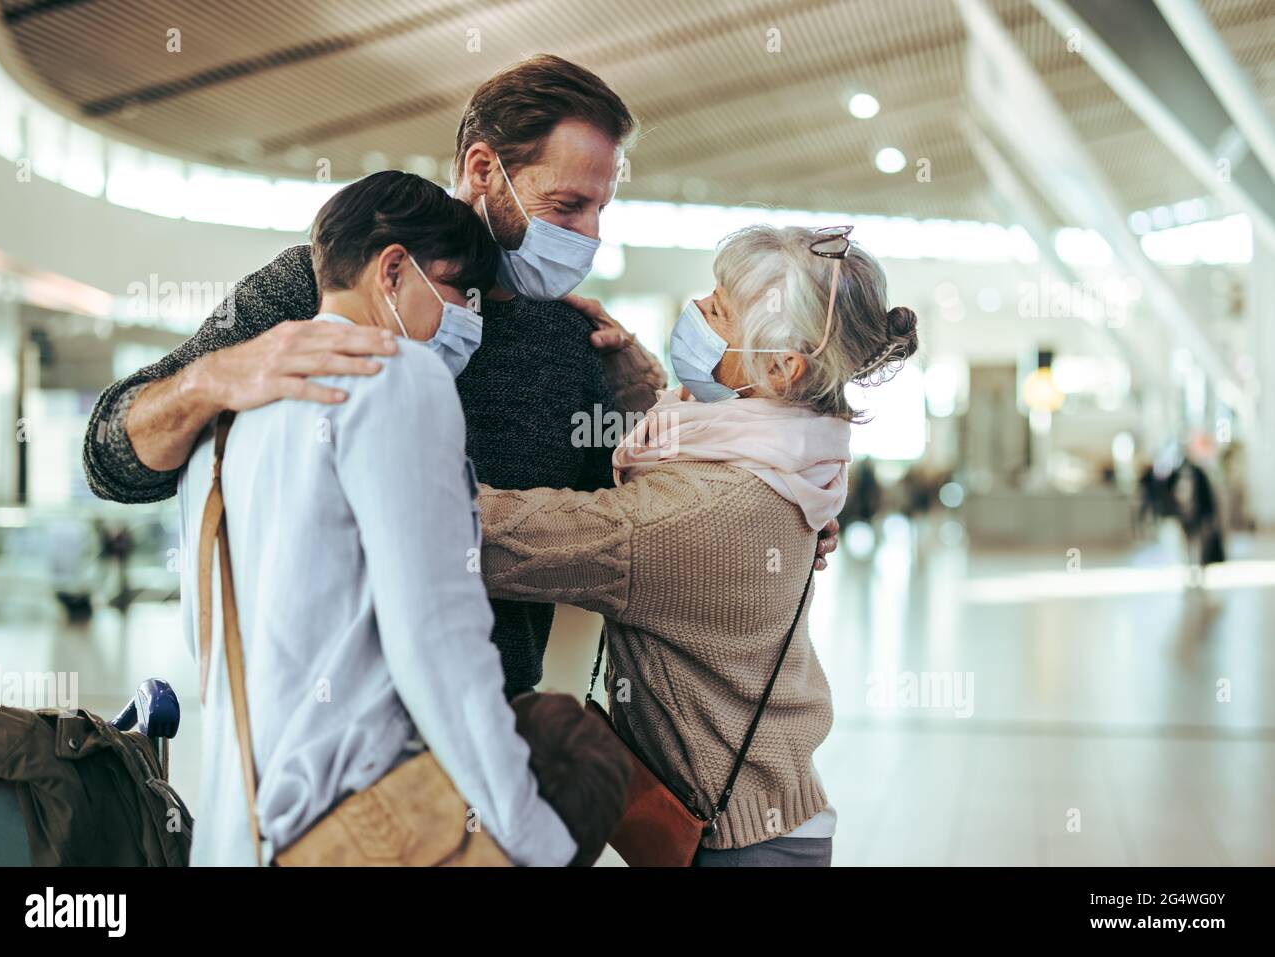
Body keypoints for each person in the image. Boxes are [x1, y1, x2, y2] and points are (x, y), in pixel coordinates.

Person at [82, 53, 838, 697]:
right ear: (484, 169)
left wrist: (761, 507)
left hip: (494, 724)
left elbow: (625, 531)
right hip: (314, 720)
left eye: (601, 210)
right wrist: (211, 380)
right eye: (566, 206)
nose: (588, 238)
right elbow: (111, 459)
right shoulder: (317, 287)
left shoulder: (575, 339)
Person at [476, 224, 919, 866]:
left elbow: (509, 539)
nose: (698, 312)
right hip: (770, 816)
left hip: (734, 842)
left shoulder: (708, 509)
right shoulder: (796, 451)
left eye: (718, 310)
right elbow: (685, 431)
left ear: (782, 366)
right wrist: (627, 362)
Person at [178, 171, 578, 866]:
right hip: (364, 821)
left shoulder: (231, 415)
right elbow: (439, 638)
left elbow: (206, 636)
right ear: (393, 270)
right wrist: (528, 834)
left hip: (245, 827)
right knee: (577, 742)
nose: (470, 326)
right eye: (459, 295)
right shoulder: (394, 375)